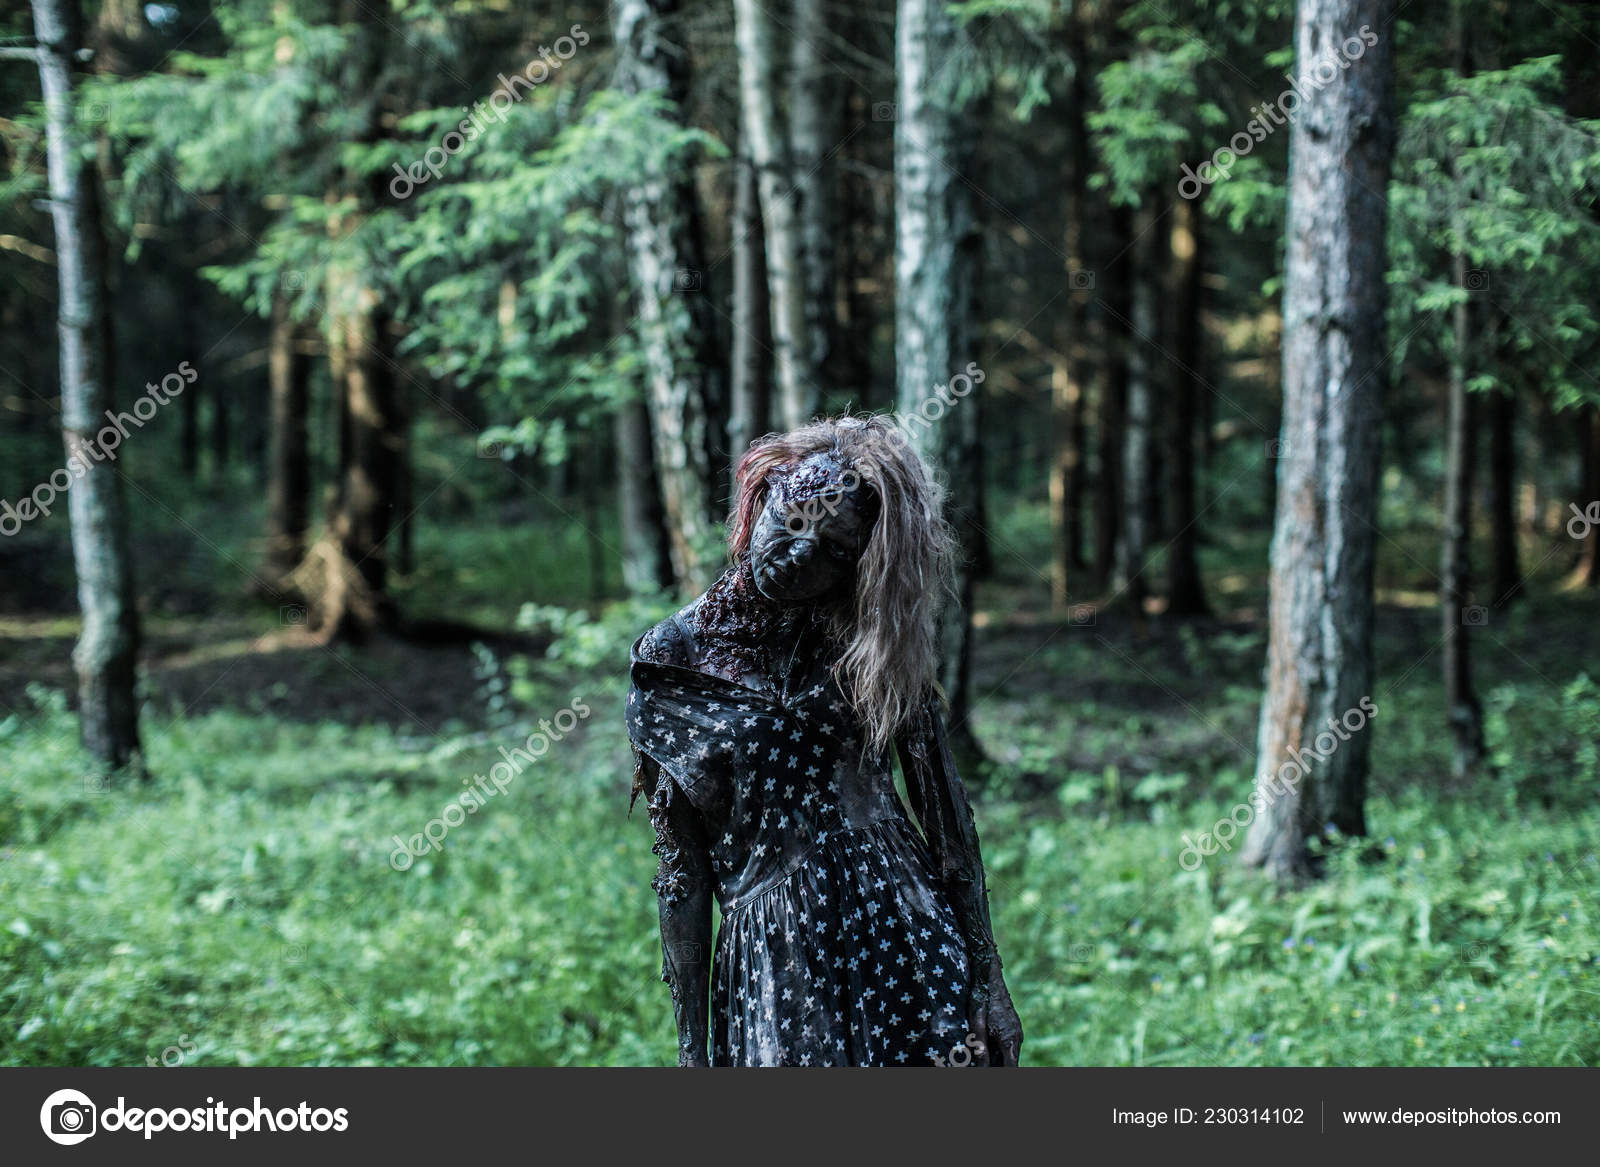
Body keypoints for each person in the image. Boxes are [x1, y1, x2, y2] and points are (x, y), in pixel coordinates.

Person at [625, 415, 1022, 1066]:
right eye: (797, 513)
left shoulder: (867, 641)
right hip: (776, 968)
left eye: (835, 549)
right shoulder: (671, 661)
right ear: (763, 494)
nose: (801, 550)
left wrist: (989, 979)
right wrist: (692, 1053)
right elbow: (682, 877)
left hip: (907, 945)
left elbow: (949, 824)